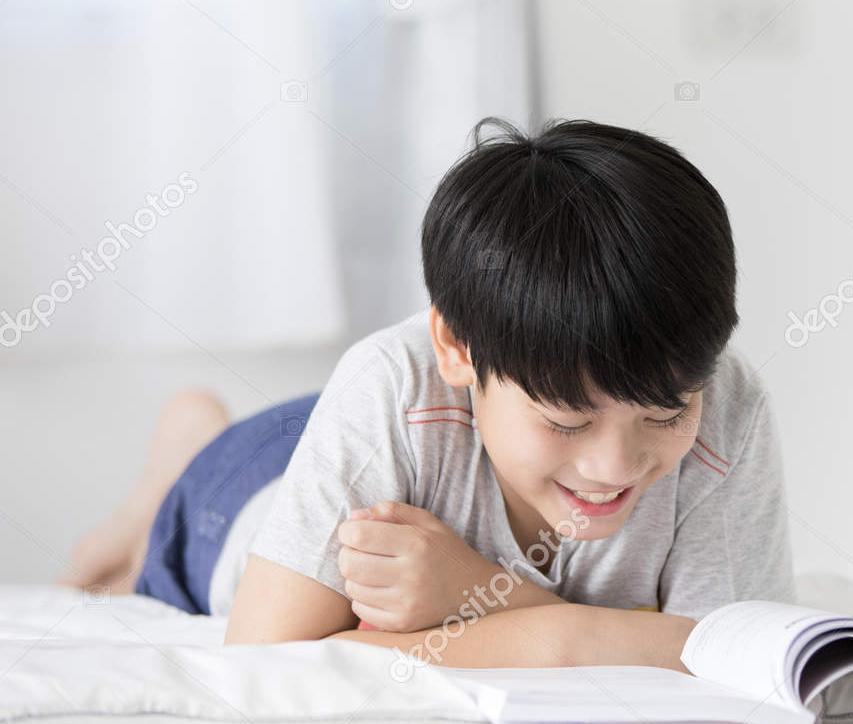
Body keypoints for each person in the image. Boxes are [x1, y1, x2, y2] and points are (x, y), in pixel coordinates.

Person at [60, 118, 795, 675]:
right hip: (240, 490)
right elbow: (269, 662)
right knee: (159, 561)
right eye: (567, 420)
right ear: (458, 348)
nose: (616, 466)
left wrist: (479, 591)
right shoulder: (387, 382)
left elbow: (738, 658)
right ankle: (174, 470)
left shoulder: (728, 404)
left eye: (666, 413)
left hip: (406, 436)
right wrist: (576, 633)